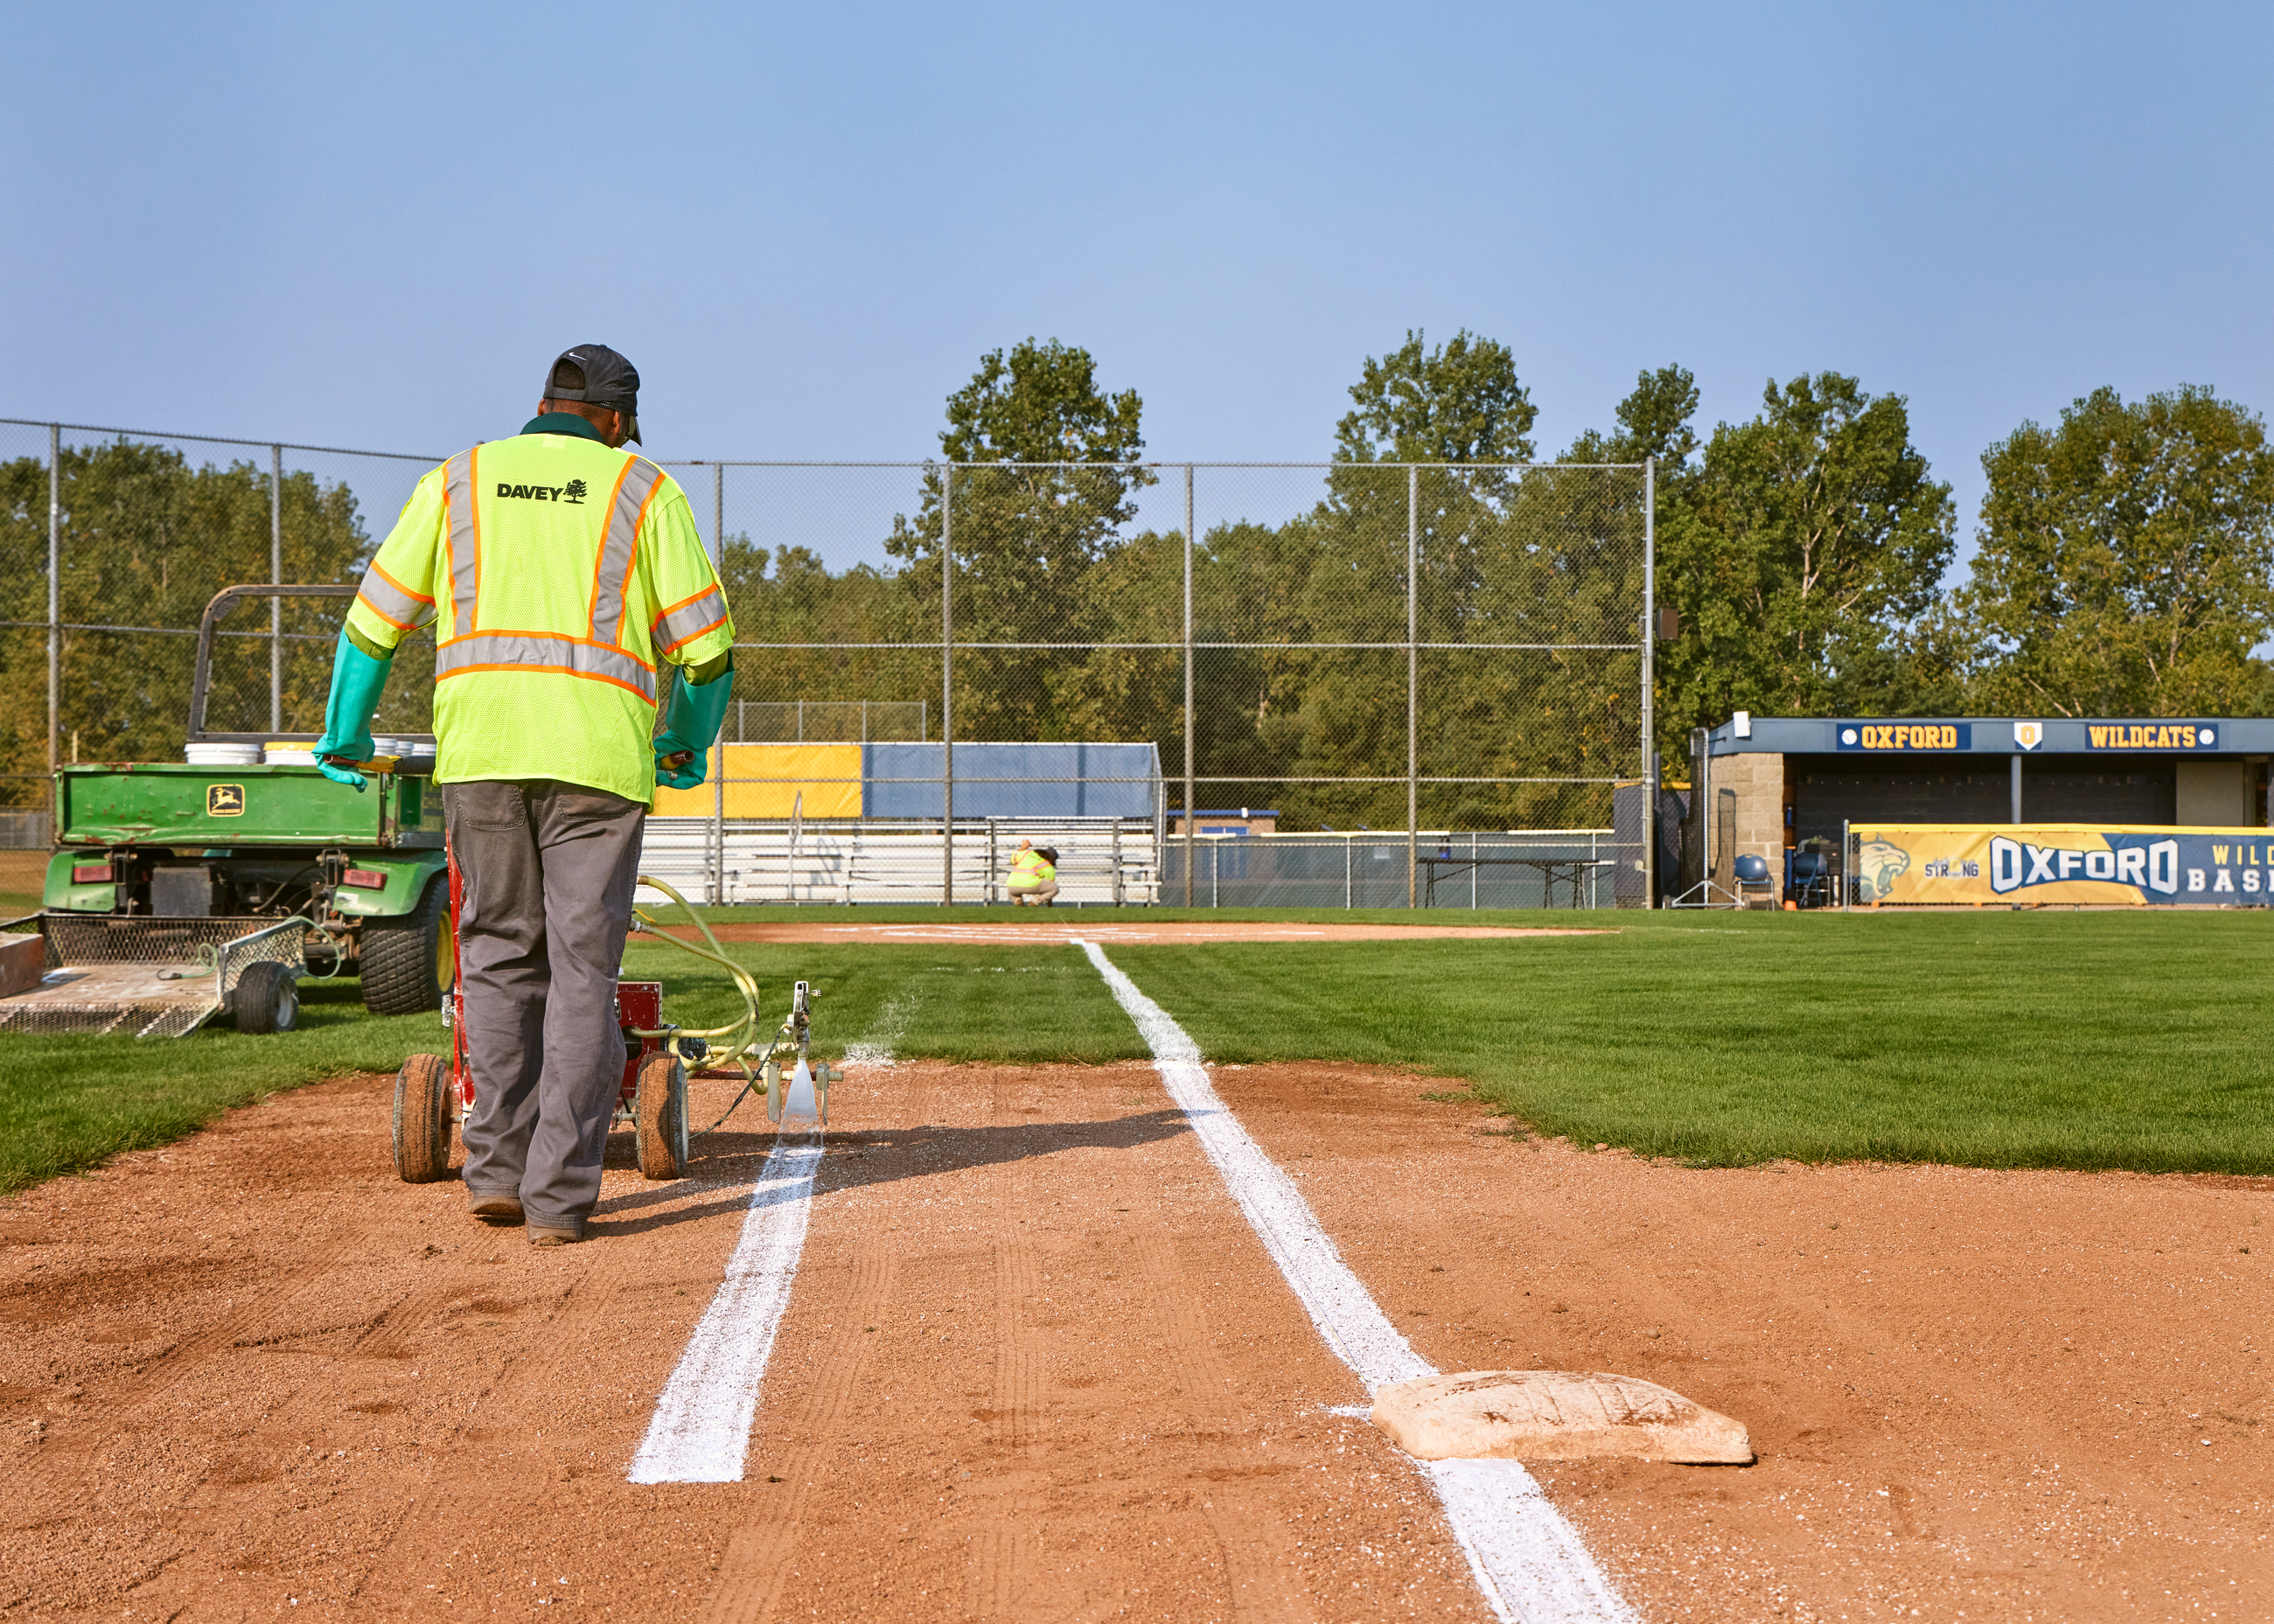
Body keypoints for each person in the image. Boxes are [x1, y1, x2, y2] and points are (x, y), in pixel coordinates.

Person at [313, 345, 736, 1247]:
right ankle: (557, 1200)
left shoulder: (458, 479)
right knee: (585, 973)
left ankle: (494, 1171)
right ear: (615, 422)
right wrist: (684, 744)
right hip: (597, 766)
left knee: (497, 958)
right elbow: (705, 651)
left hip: (482, 756)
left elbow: (372, 621)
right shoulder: (642, 491)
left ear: (541, 405)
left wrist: (346, 731)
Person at [1007, 840, 1058, 907]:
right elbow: (1050, 887)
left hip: (1011, 886)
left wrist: (1023, 847)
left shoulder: (1027, 854)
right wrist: (1050, 904)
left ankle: (1017, 900)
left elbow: (1013, 859)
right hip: (1030, 885)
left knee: (1013, 883)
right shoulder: (1047, 865)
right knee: (1054, 888)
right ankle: (1034, 902)